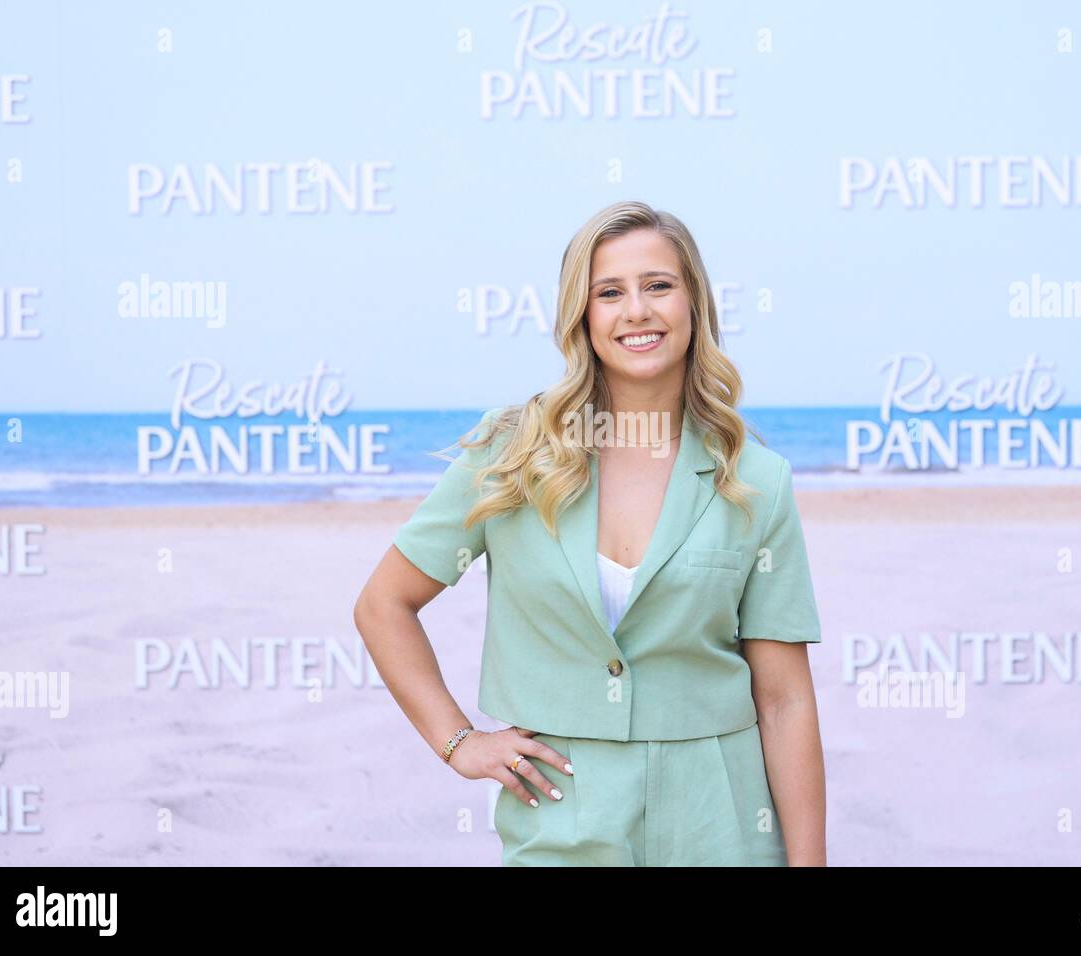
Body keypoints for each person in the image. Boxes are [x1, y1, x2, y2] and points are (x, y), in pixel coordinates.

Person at [354, 200, 826, 866]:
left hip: (721, 824)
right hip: (559, 818)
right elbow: (383, 605)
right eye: (610, 292)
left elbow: (782, 700)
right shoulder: (513, 454)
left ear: (695, 304)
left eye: (658, 285)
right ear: (583, 314)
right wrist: (459, 742)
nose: (637, 310)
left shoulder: (755, 479)